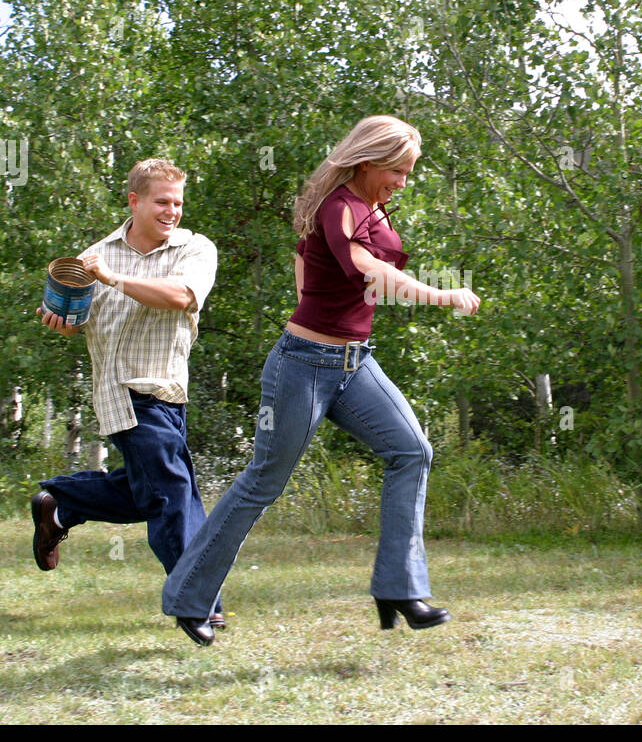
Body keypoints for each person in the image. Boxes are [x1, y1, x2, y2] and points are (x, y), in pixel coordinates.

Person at [162, 115, 480, 646]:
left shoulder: (367, 207)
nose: (403, 180)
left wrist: (330, 304)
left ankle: (399, 588)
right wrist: (441, 294)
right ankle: (189, 598)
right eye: (397, 170)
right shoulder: (340, 206)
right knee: (264, 482)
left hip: (355, 364)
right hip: (304, 364)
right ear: (366, 159)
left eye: (408, 171)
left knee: (412, 451)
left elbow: (307, 267)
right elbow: (369, 270)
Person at [31, 157, 223, 628]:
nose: (172, 211)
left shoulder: (194, 249)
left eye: (177, 202)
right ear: (135, 201)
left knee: (150, 493)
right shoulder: (93, 256)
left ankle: (61, 503)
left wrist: (113, 280)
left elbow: (182, 297)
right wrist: (62, 320)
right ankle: (196, 602)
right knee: (175, 494)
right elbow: (75, 320)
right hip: (124, 393)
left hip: (170, 391)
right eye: (162, 201)